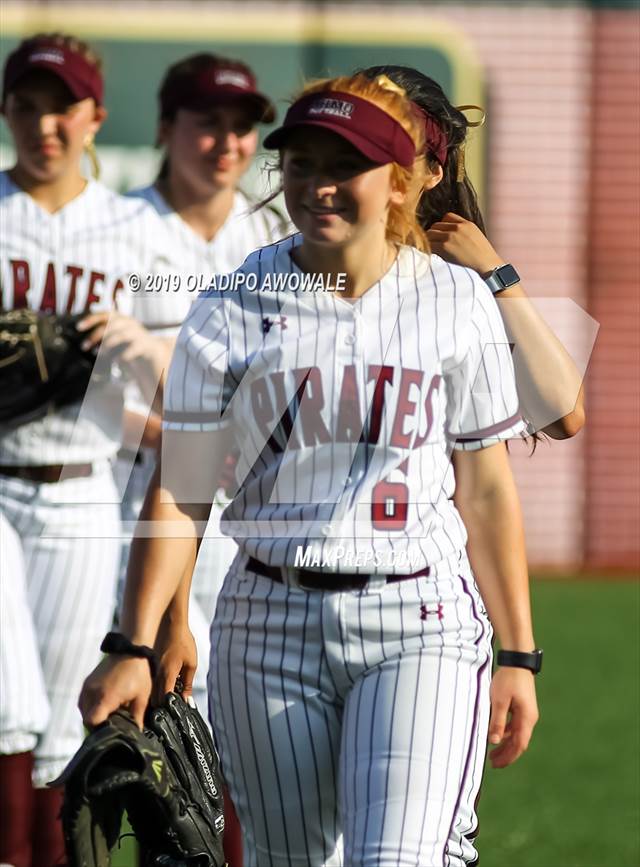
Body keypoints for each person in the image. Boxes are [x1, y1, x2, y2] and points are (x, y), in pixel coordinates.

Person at [80, 72, 541, 866]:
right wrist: (134, 640)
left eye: (345, 164)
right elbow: (182, 486)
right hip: (265, 620)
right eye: (300, 163)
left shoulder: (457, 300)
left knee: (398, 856)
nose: (318, 184)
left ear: (399, 182)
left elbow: (488, 489)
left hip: (418, 615)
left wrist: (520, 654)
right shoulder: (230, 303)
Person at [0, 33, 174, 867]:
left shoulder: (136, 229)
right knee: (8, 702)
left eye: (61, 106)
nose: (44, 124)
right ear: (5, 112)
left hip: (81, 489)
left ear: (95, 116)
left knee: (63, 721)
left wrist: (141, 343)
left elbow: (192, 394)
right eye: (26, 105)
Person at [119, 51, 289, 718]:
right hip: (126, 493)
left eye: (242, 127)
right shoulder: (118, 226)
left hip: (242, 507)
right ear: (164, 128)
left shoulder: (277, 235)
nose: (228, 143)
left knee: (229, 710)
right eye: (207, 123)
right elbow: (91, 383)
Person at [362, 63, 586, 440]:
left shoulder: (458, 286)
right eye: (355, 147)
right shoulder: (278, 265)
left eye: (395, 152)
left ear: (433, 172)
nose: (372, 169)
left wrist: (497, 275)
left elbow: (563, 414)